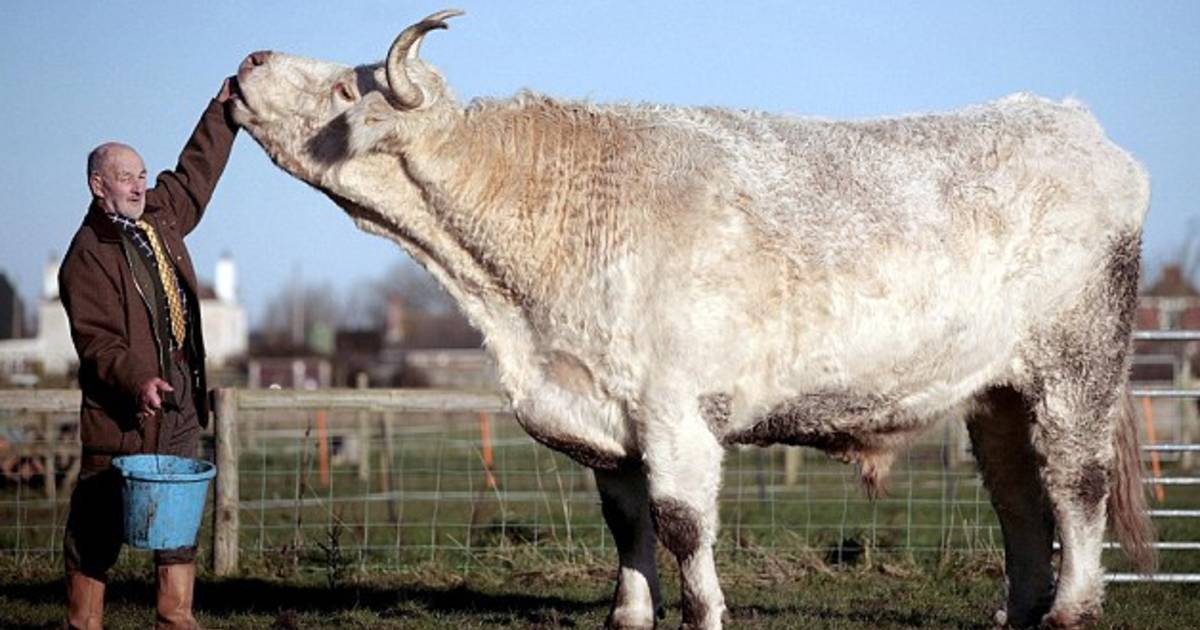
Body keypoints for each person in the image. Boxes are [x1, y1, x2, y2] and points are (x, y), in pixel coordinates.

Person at [57, 53, 262, 630]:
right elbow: (99, 345)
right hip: (121, 417)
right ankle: (84, 624)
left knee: (175, 526)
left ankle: (177, 618)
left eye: (142, 175)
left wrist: (224, 108)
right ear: (99, 186)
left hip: (176, 405)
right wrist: (136, 381)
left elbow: (195, 172)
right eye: (127, 177)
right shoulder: (86, 257)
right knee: (96, 528)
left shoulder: (160, 215)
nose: (140, 185)